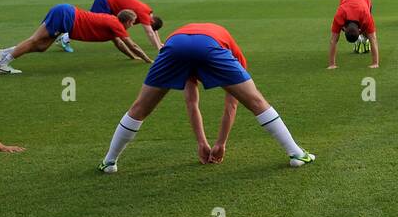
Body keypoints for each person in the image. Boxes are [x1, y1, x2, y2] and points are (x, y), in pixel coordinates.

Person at [98, 22, 314, 173]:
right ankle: (295, 153)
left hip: (174, 46)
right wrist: (220, 143)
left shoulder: (189, 47)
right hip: (209, 44)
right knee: (257, 102)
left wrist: (202, 142)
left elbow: (191, 102)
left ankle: (109, 161)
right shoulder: (234, 53)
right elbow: (231, 105)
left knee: (139, 108)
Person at [0, 4, 152, 73]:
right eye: (133, 22)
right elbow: (132, 44)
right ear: (128, 21)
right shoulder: (116, 24)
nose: (133, 25)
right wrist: (147, 60)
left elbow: (119, 43)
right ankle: (3, 63)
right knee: (35, 41)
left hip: (66, 15)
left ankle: (1, 53)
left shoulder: (113, 24)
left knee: (42, 46)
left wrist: (133, 57)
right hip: (66, 15)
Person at [86, 0, 165, 51]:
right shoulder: (144, 14)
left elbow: (153, 30)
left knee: (92, 19)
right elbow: (150, 32)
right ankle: (74, 20)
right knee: (92, 22)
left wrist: (159, 43)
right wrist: (158, 48)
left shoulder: (150, 14)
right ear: (152, 22)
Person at [328, 0, 379, 69]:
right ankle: (363, 39)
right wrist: (332, 64)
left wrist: (375, 63)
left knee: (368, 33)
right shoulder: (340, 15)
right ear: (344, 28)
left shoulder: (366, 15)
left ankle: (365, 39)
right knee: (370, 34)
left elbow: (373, 38)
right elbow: (333, 40)